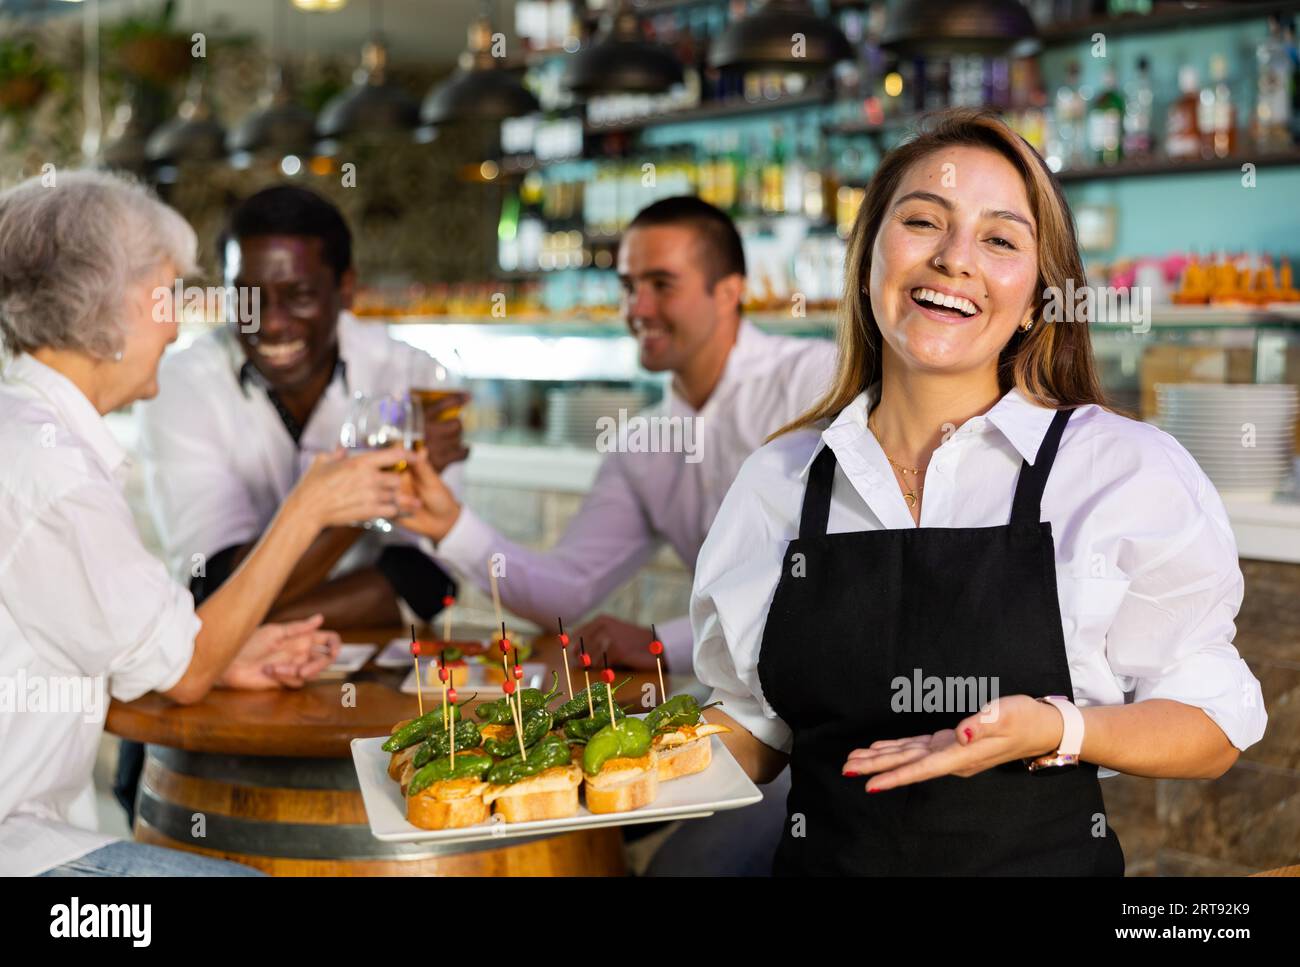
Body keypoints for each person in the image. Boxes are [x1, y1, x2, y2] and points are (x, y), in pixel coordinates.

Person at [690, 108, 1268, 876]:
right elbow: (754, 730)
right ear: (868, 259)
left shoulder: (1122, 472)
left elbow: (1213, 726)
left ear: (1036, 299)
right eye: (924, 221)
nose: (954, 259)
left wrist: (1057, 728)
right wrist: (598, 759)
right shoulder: (782, 481)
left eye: (999, 239)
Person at [399, 196, 836, 876]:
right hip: (739, 721)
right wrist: (448, 524)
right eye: (629, 285)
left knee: (681, 870)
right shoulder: (643, 440)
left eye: (661, 284)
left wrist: (662, 642)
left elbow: (826, 583)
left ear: (732, 291)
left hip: (833, 730)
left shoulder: (811, 381)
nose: (637, 306)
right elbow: (569, 588)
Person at [0, 171, 416, 877]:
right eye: (167, 293)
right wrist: (310, 505)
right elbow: (187, 673)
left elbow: (116, 645)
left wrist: (228, 652)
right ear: (114, 302)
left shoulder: (30, 438)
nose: (178, 320)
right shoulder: (55, 473)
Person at [121, 185, 467, 823]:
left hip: (370, 695)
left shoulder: (408, 375)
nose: (270, 323)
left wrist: (224, 633)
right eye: (249, 297)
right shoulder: (182, 386)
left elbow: (426, 581)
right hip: (217, 712)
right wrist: (366, 491)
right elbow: (218, 582)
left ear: (346, 289)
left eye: (300, 296)